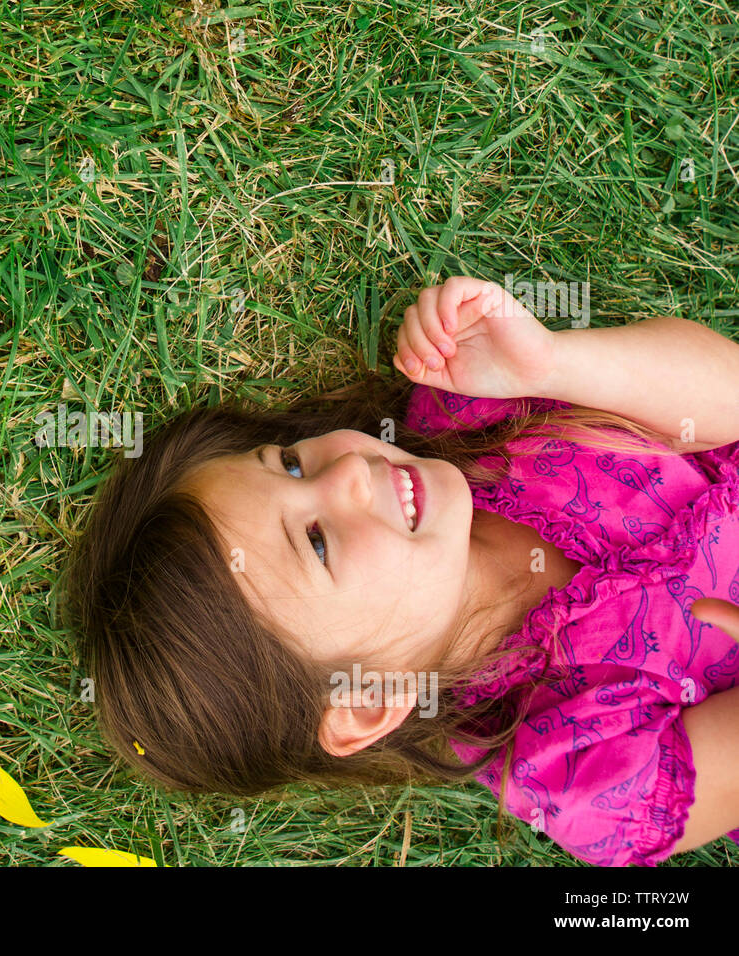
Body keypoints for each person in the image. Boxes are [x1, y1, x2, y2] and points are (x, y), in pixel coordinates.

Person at [62, 276, 739, 865]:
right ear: (367, 701)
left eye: (292, 463)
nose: (350, 472)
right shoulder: (572, 769)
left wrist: (552, 365)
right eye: (318, 542)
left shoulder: (476, 415)